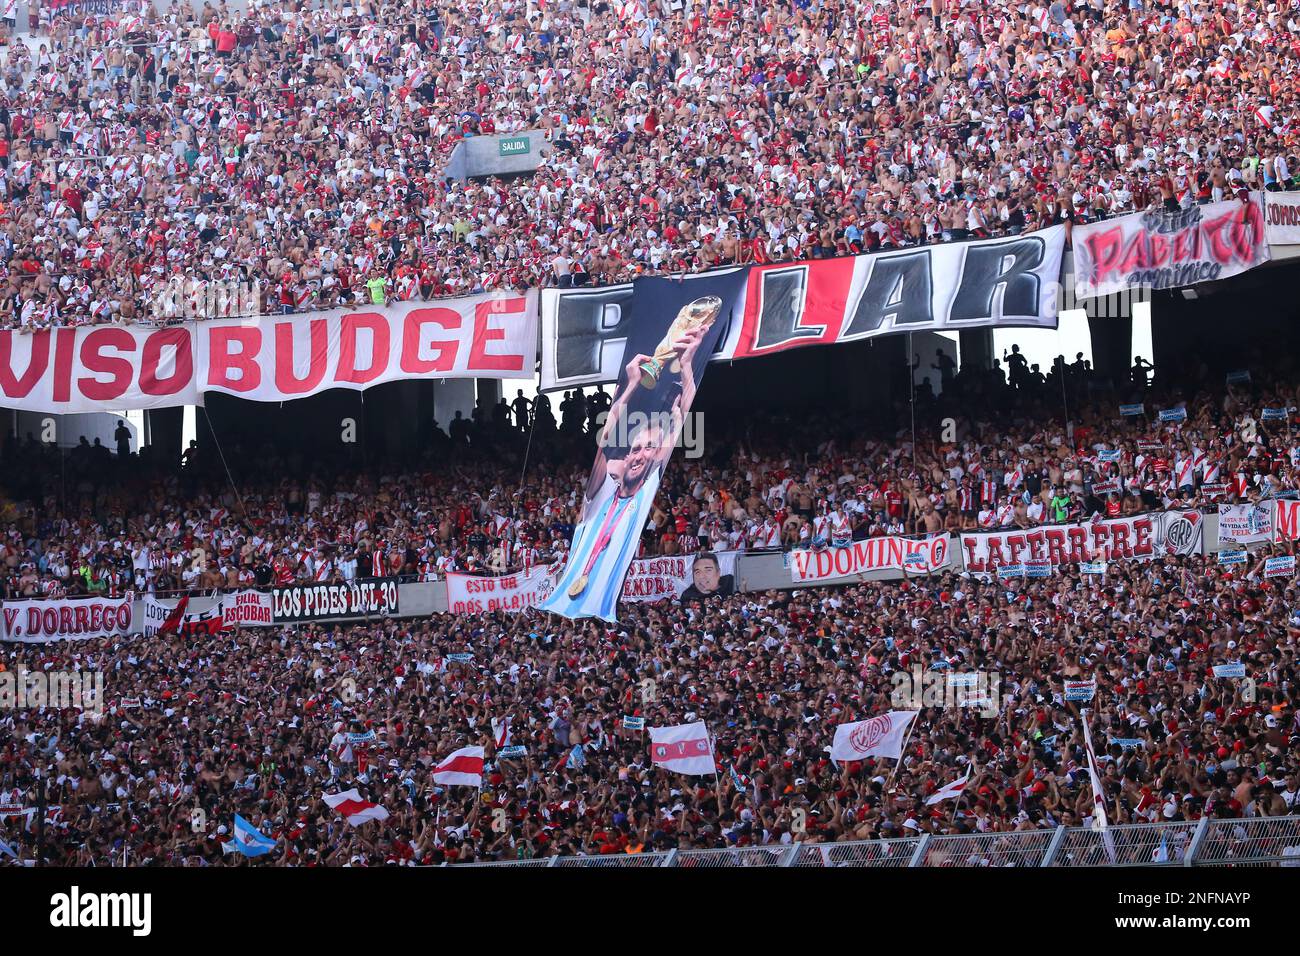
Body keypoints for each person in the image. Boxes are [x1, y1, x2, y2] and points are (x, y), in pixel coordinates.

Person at [541, 323, 707, 622]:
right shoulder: (603, 489)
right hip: (576, 599)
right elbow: (606, 435)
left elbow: (683, 413)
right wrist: (630, 385)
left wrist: (685, 366)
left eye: (648, 448)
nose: (638, 455)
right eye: (634, 448)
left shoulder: (650, 483)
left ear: (658, 453)